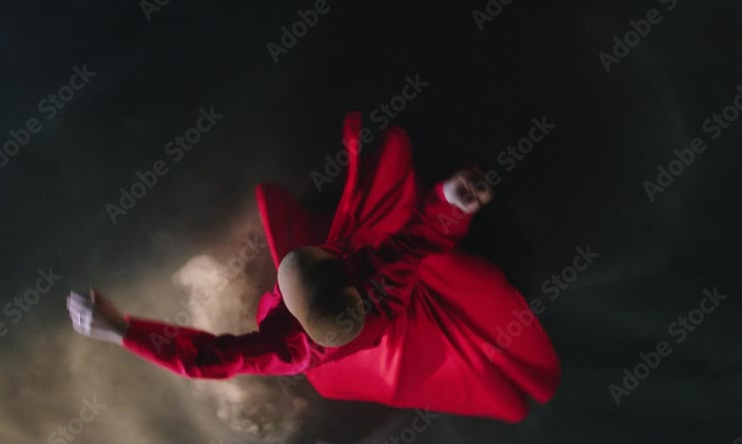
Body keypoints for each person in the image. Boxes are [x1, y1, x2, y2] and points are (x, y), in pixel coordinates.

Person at [68, 114, 560, 422]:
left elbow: (206, 358)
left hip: (358, 359)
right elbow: (419, 239)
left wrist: (122, 331)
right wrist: (456, 202)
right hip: (390, 324)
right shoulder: (378, 280)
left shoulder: (288, 348)